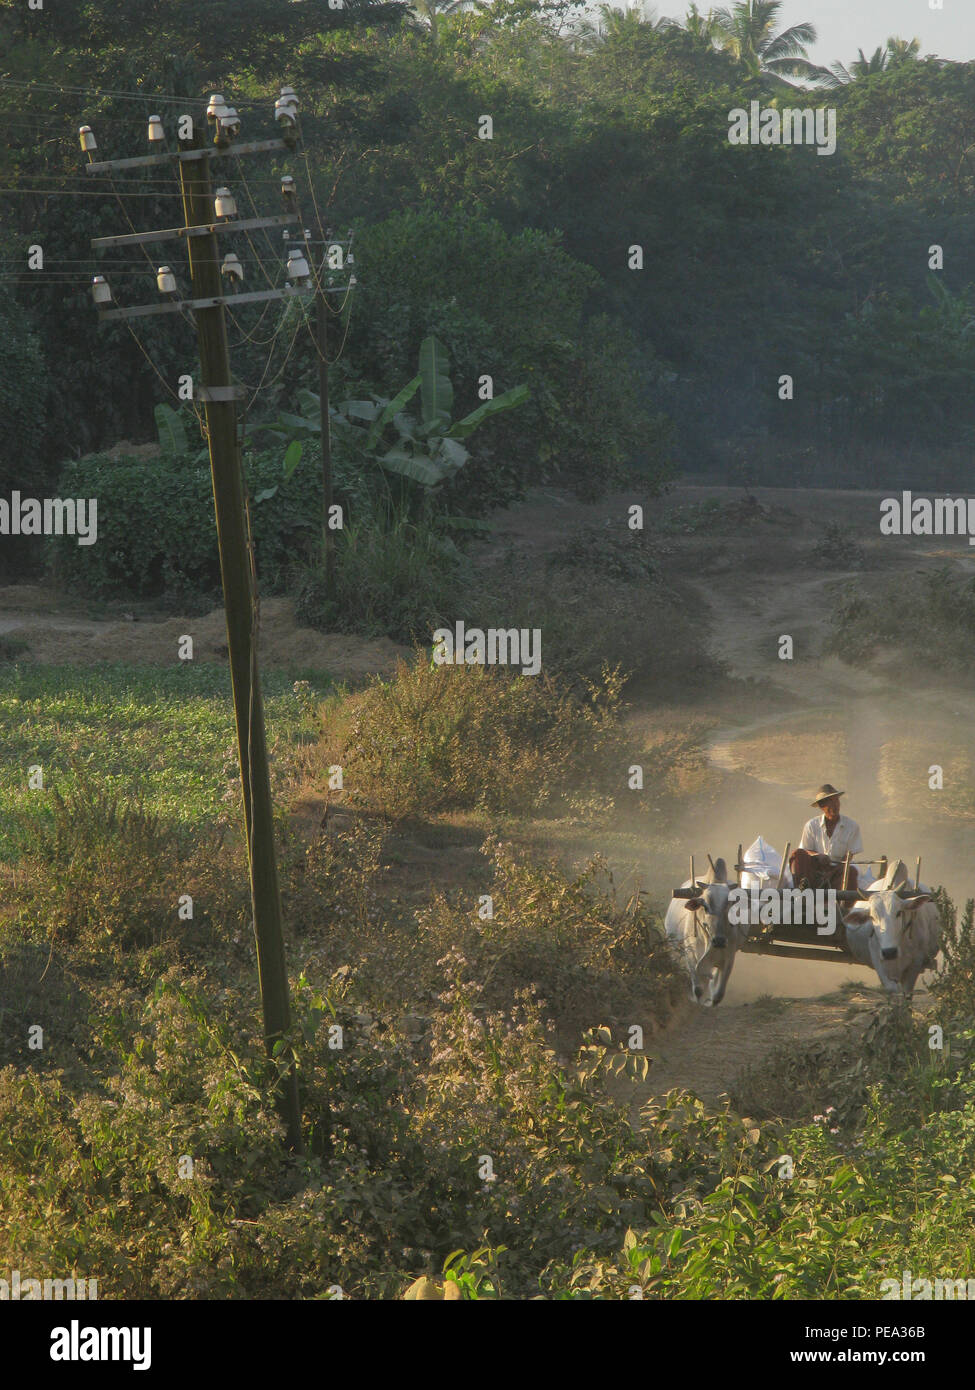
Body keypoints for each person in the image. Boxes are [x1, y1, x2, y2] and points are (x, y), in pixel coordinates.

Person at [789, 785, 861, 894]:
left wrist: (835, 868)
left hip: (837, 870)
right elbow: (805, 850)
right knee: (797, 854)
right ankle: (803, 891)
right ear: (822, 806)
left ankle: (839, 903)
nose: (835, 805)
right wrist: (818, 856)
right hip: (814, 869)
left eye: (836, 801)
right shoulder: (811, 825)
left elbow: (849, 856)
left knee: (852, 872)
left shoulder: (852, 826)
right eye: (830, 803)